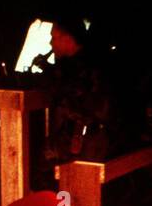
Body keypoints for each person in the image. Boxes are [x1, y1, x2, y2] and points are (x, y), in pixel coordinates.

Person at [40, 15, 115, 165]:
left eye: (54, 38)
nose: (51, 43)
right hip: (80, 144)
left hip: (85, 146)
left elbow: (89, 106)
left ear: (68, 38)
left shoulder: (84, 69)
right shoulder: (73, 66)